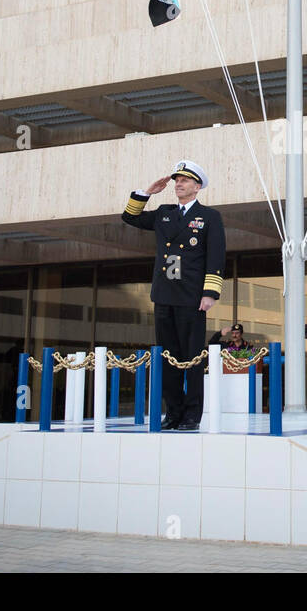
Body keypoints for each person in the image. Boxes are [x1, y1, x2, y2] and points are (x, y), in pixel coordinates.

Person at [122, 159, 226, 431]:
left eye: (184, 180)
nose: (178, 184)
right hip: (164, 294)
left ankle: (192, 414)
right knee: (169, 358)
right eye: (176, 180)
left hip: (192, 297)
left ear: (197, 186)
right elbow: (130, 217)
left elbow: (216, 256)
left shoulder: (209, 217)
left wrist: (210, 292)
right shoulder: (164, 212)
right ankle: (173, 412)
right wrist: (147, 193)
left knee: (191, 357)